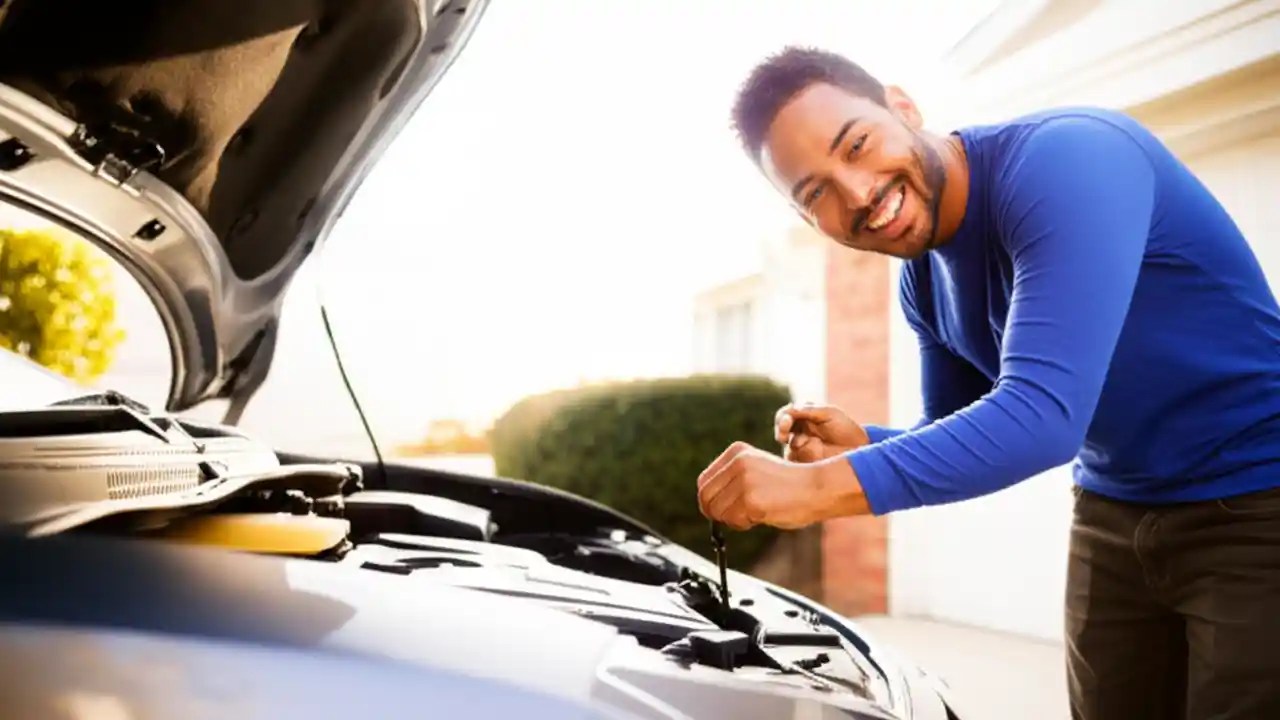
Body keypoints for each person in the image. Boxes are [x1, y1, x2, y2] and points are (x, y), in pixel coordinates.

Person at [695, 46, 1280, 719]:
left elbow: (1039, 419)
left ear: (902, 107)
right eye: (816, 193)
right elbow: (970, 423)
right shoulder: (924, 278)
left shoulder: (1070, 161)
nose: (856, 193)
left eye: (856, 144)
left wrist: (814, 492)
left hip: (1259, 502)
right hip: (1113, 515)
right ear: (807, 220)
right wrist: (860, 447)